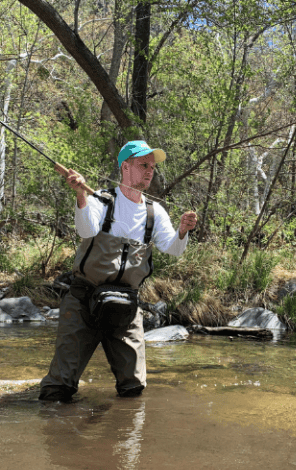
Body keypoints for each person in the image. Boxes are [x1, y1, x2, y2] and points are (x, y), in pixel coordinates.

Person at [39, 141, 198, 401]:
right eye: (143, 165)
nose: (150, 171)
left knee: (133, 388)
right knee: (57, 389)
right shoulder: (100, 200)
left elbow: (173, 249)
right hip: (83, 301)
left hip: (126, 306)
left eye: (152, 167)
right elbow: (86, 230)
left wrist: (182, 231)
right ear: (125, 167)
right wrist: (81, 196)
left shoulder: (155, 212)